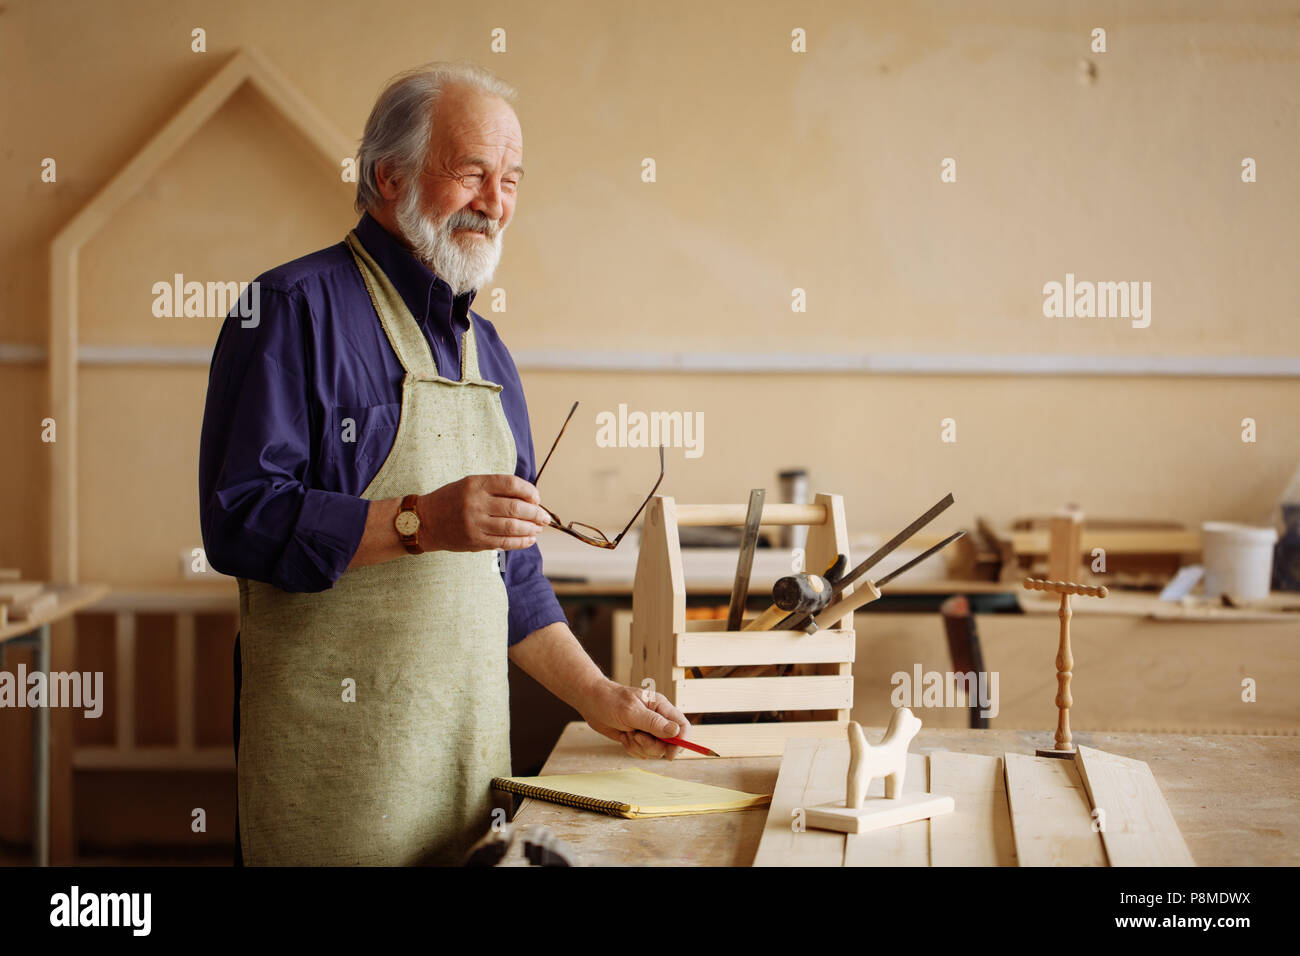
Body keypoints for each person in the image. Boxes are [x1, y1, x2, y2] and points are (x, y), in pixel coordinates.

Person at [199, 61, 689, 866]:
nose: (494, 202)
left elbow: (514, 578)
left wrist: (604, 698)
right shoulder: (291, 311)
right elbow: (239, 521)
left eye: (511, 180)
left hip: (469, 777)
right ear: (388, 177)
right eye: (471, 173)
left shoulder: (487, 350)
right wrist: (420, 520)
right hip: (342, 787)